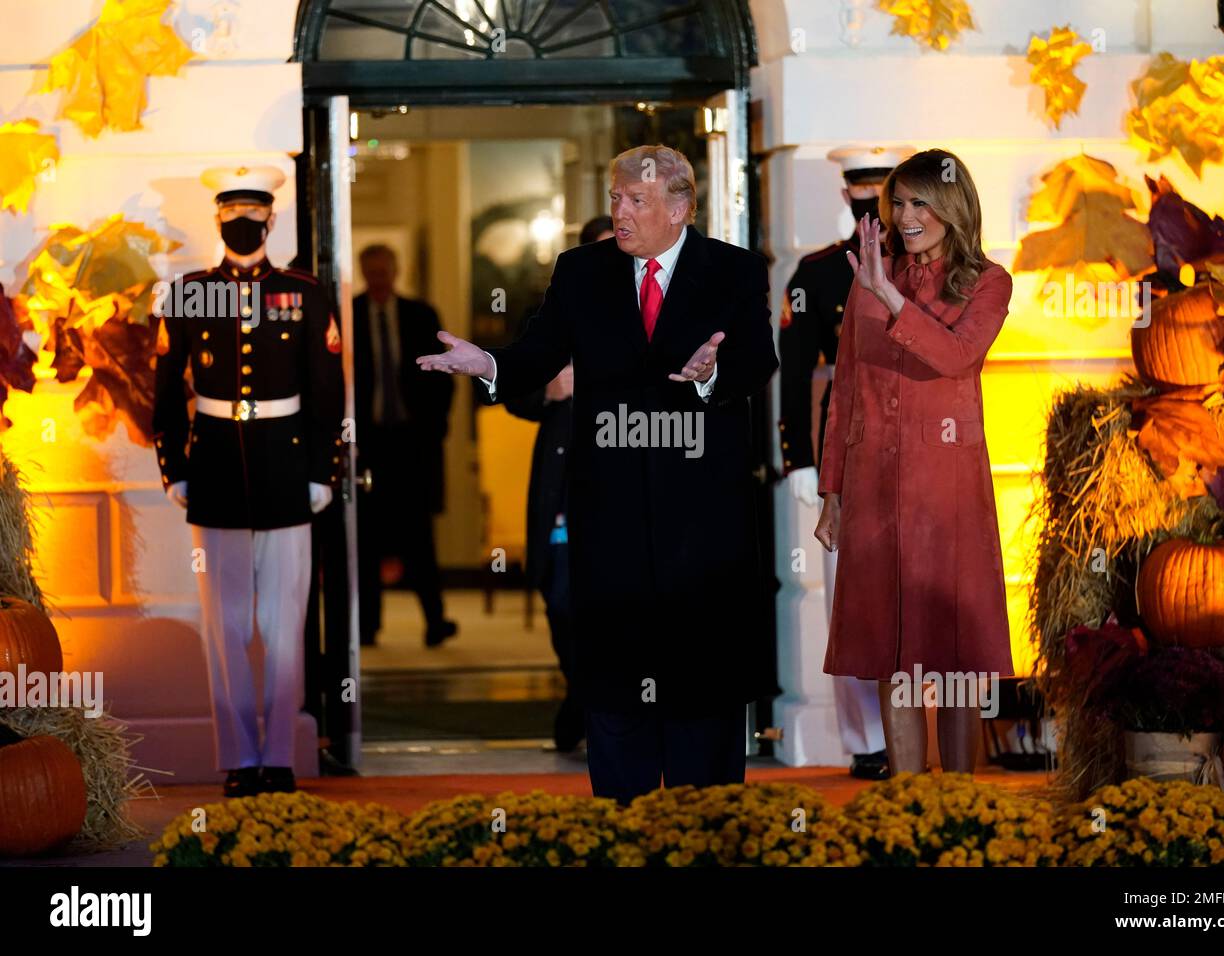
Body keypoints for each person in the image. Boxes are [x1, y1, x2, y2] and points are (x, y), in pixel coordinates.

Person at [418, 145, 778, 804]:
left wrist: (712, 376)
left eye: (635, 200)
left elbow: (757, 361)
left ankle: (705, 831)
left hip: (703, 526)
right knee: (617, 694)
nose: (620, 211)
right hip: (610, 519)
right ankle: (622, 831)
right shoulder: (581, 271)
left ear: (680, 206)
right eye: (615, 198)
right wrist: (489, 365)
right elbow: (537, 352)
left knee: (701, 695)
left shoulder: (732, 271)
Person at [814, 148, 1013, 776]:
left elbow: (956, 356)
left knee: (955, 658)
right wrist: (832, 493)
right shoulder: (872, 274)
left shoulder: (988, 280)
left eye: (918, 202)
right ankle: (906, 803)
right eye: (897, 203)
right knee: (892, 654)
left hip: (946, 495)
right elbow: (844, 390)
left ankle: (960, 807)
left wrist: (890, 298)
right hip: (873, 490)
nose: (904, 216)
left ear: (952, 206)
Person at [152, 165, 344, 797]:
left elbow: (325, 392)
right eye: (231, 213)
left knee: (285, 623)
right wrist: (174, 467)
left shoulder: (306, 293)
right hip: (213, 471)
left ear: (269, 219)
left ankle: (280, 756)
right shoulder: (187, 292)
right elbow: (163, 388)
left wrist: (323, 471)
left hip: (288, 469)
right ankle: (237, 757)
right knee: (225, 624)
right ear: (219, 221)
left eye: (252, 214)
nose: (242, 223)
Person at [779, 145, 911, 781]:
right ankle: (868, 740)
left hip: (915, 442)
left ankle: (917, 732)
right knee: (848, 599)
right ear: (846, 197)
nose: (871, 210)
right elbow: (796, 368)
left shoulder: (929, 265)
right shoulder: (815, 274)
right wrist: (798, 458)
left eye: (879, 198)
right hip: (848, 445)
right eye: (861, 198)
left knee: (919, 593)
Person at [505, 215, 614, 754]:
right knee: (564, 602)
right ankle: (582, 692)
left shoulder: (656, 311)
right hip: (564, 486)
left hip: (623, 486)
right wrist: (548, 392)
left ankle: (600, 709)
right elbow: (510, 389)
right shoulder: (552, 315)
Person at [353, 244, 456, 648]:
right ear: (364, 272)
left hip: (412, 442)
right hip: (368, 442)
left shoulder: (421, 315)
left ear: (396, 270)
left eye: (384, 269)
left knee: (419, 537)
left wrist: (434, 430)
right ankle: (368, 626)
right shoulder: (351, 314)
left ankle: (435, 620)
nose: (379, 277)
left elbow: (444, 375)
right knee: (367, 537)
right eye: (372, 270)